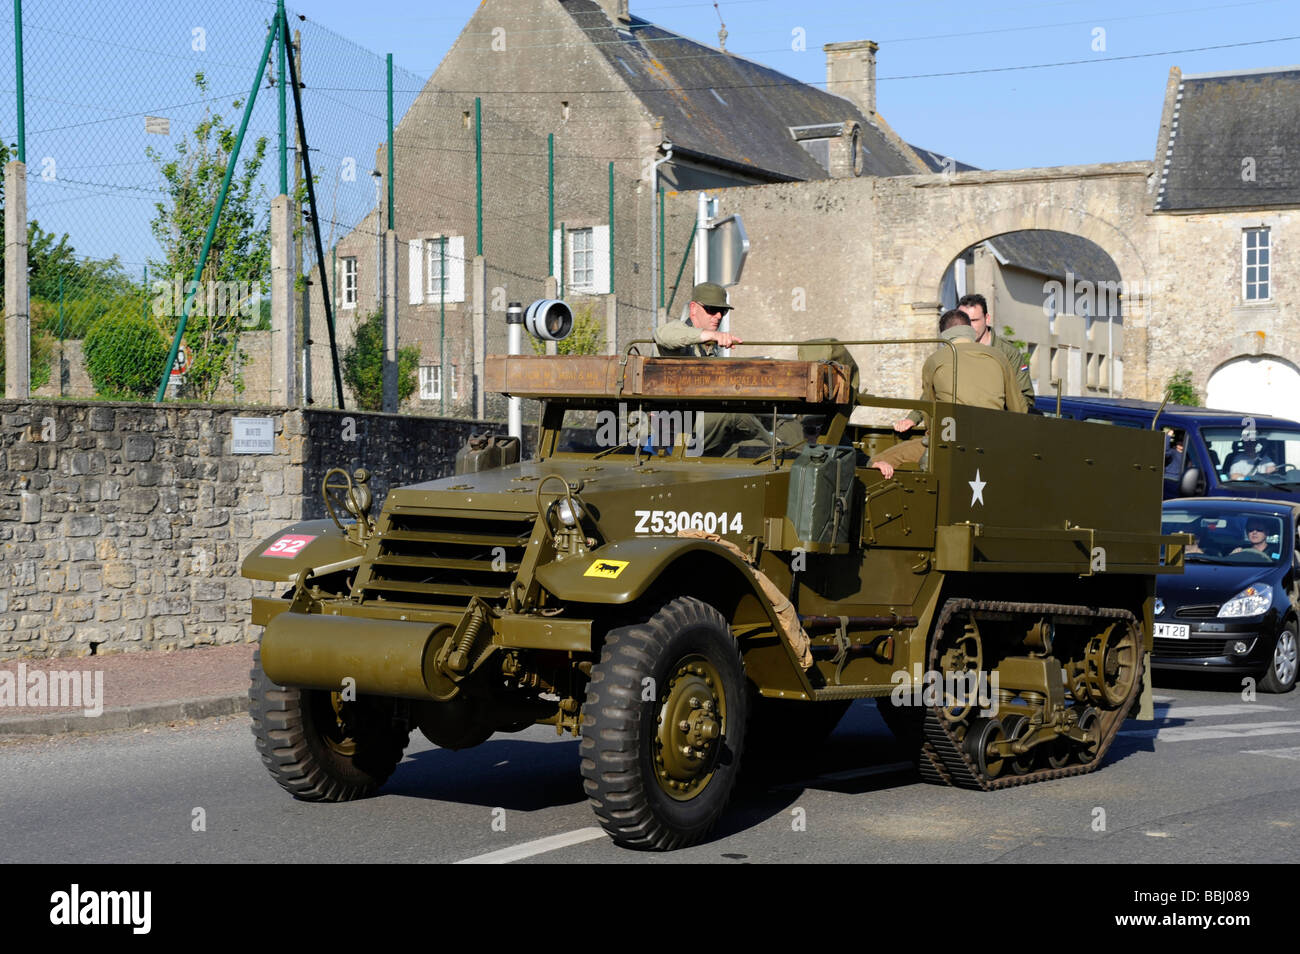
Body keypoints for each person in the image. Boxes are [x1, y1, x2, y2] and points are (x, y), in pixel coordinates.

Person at [870, 309, 1026, 478]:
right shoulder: (1000, 357)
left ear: (944, 336)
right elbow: (1019, 410)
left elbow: (929, 411)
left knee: (878, 459)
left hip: (949, 442)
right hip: (994, 442)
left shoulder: (935, 360)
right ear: (970, 330)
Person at [958, 293, 1035, 412]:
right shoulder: (955, 350)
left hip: (997, 422)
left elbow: (1026, 398)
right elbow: (936, 385)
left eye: (974, 320)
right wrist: (917, 416)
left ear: (987, 318)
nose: (969, 327)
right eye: (964, 321)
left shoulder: (1008, 353)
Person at [653, 282, 743, 357]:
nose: (719, 316)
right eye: (712, 309)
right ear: (693, 308)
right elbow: (661, 335)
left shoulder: (711, 344)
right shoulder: (678, 329)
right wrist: (712, 335)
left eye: (722, 311)